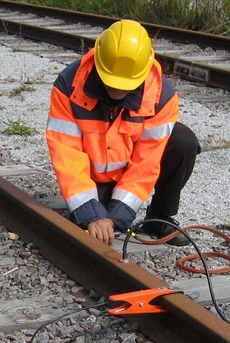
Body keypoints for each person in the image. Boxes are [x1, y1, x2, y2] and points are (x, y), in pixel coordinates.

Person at [45, 19, 199, 246]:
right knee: (89, 217)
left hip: (128, 174)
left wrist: (119, 215)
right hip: (92, 180)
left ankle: (159, 217)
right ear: (98, 62)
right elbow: (67, 154)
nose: (117, 89)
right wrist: (90, 213)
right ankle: (96, 204)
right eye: (111, 82)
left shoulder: (161, 97)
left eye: (124, 85)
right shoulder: (69, 86)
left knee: (183, 141)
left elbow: (146, 163)